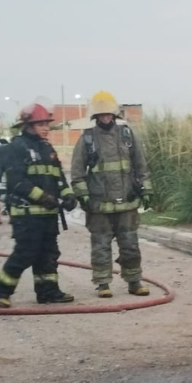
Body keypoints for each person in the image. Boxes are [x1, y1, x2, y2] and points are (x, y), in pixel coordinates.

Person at [0, 103, 77, 308]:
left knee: (48, 253)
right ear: (27, 125)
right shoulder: (15, 148)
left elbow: (58, 178)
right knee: (25, 252)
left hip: (48, 214)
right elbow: (17, 182)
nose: (45, 127)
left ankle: (48, 292)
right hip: (26, 214)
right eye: (40, 124)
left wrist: (68, 195)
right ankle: (1, 291)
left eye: (47, 123)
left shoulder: (47, 148)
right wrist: (42, 197)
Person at [70, 90, 152, 298]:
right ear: (95, 117)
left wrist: (146, 188)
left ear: (114, 115)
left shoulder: (127, 135)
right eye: (101, 115)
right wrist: (83, 195)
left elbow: (141, 165)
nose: (105, 118)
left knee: (130, 244)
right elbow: (77, 172)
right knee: (100, 245)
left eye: (108, 115)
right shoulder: (87, 139)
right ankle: (103, 283)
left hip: (127, 202)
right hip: (99, 204)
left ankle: (134, 281)